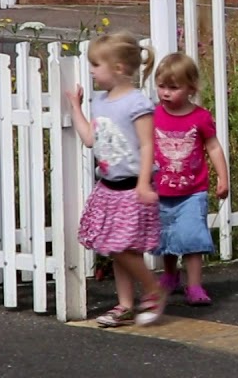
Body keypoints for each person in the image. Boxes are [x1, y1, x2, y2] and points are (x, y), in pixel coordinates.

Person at [67, 31, 167, 328]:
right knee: (118, 250)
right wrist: (76, 106)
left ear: (119, 68)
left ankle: (153, 289)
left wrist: (144, 183)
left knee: (121, 247)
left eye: (96, 65)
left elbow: (148, 144)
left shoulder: (137, 103)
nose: (92, 71)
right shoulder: (99, 102)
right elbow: (89, 139)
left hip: (132, 187)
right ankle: (125, 304)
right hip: (108, 188)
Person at [150, 52, 229, 306]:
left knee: (192, 239)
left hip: (192, 191)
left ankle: (194, 284)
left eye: (173, 87)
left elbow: (213, 147)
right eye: (161, 86)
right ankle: (171, 276)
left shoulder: (200, 117)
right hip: (160, 189)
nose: (166, 93)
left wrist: (222, 177)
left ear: (191, 88)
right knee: (167, 238)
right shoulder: (153, 115)